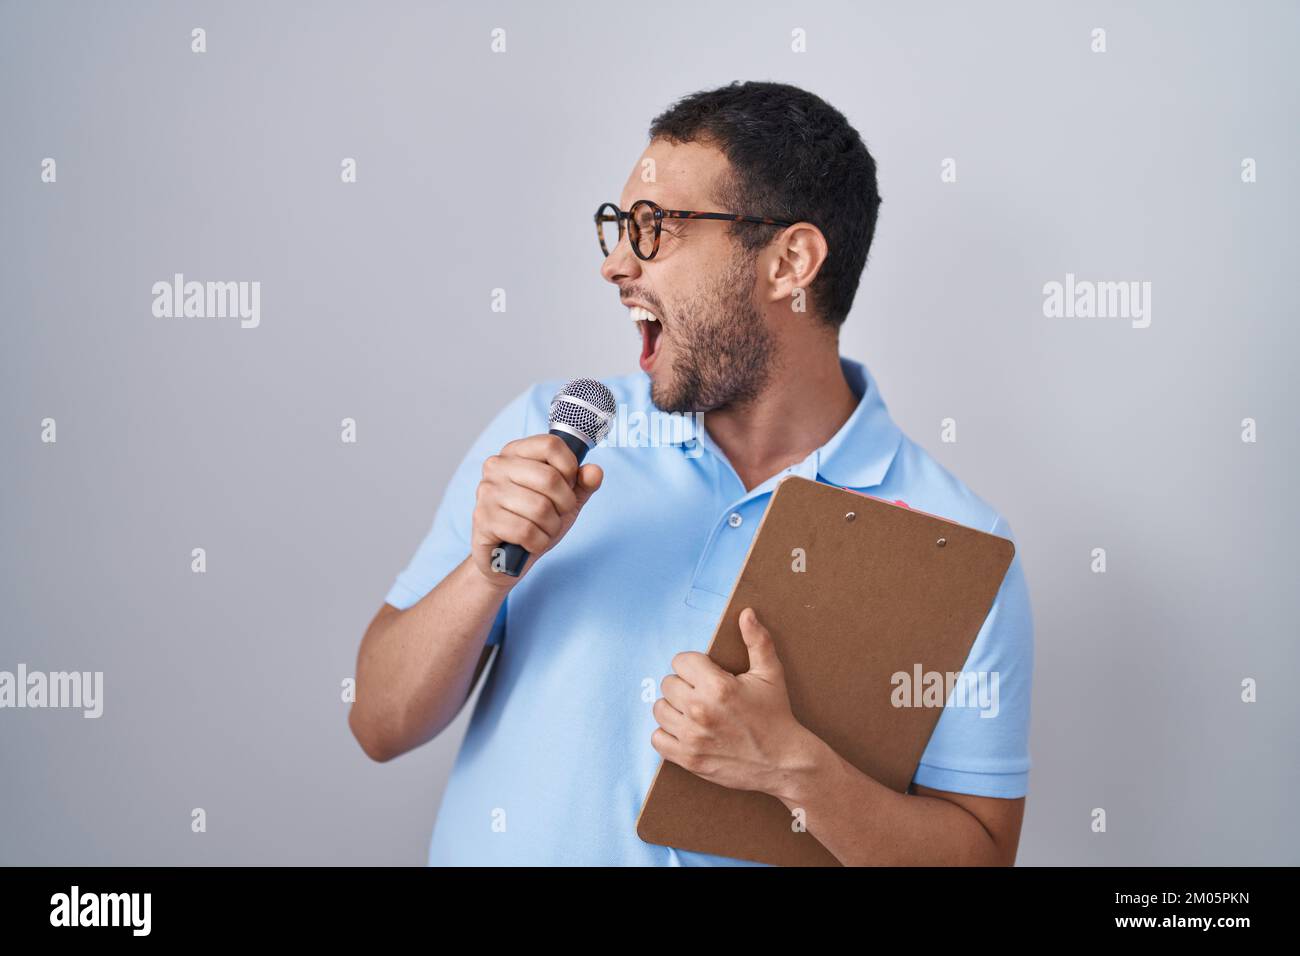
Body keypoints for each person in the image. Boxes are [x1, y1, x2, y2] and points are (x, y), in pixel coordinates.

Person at [349, 81, 1034, 866]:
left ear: (790, 263)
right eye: (615, 228)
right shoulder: (552, 436)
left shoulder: (954, 542)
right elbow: (377, 723)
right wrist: (484, 575)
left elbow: (980, 855)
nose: (614, 265)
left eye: (652, 230)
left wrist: (795, 771)